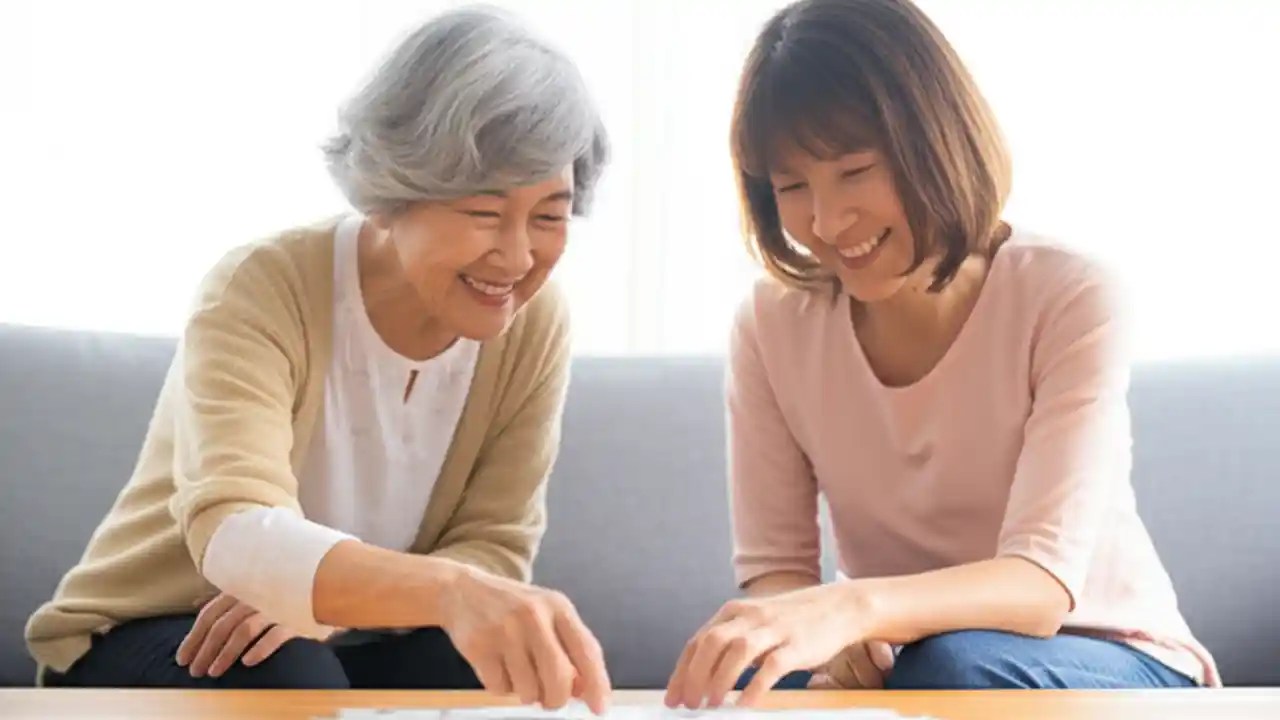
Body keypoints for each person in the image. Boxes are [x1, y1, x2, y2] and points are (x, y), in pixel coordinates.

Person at [26, 6, 612, 712]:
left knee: (480, 663)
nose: (518, 257)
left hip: (342, 639)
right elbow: (235, 530)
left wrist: (324, 603)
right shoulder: (263, 285)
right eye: (485, 214)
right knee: (289, 671)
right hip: (156, 629)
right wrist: (433, 592)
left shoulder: (532, 323)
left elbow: (494, 547)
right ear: (395, 189)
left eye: (549, 216)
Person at [665, 0, 1216, 708]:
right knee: (738, 669)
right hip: (913, 653)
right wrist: (836, 641)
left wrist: (855, 611)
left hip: (1109, 651)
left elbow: (1039, 585)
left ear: (934, 142)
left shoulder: (1069, 294)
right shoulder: (772, 324)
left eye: (855, 171)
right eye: (793, 187)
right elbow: (778, 574)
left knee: (952, 666)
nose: (828, 223)